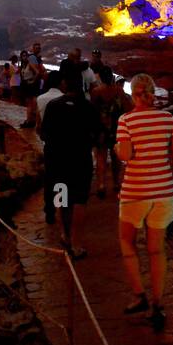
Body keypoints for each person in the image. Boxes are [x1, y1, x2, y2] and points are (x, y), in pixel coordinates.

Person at [115, 73, 173, 332]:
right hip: (163, 191)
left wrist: (117, 150)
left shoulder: (126, 120)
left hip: (136, 191)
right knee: (157, 250)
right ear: (153, 92)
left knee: (127, 241)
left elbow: (126, 154)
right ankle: (157, 303)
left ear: (133, 94)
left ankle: (139, 295)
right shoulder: (167, 119)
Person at [39, 74, 101, 258]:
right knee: (80, 200)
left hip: (58, 160)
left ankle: (64, 234)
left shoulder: (53, 106)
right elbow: (97, 134)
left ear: (65, 85)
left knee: (62, 197)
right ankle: (77, 243)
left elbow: (44, 135)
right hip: (81, 159)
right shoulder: (89, 107)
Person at [90, 77, 131, 198]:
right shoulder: (119, 91)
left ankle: (101, 185)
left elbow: (92, 111)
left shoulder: (96, 91)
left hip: (101, 130)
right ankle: (116, 183)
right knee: (115, 158)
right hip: (116, 128)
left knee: (101, 158)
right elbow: (128, 108)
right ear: (112, 78)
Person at [20, 42, 45, 128]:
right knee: (32, 103)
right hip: (34, 84)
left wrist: (33, 80)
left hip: (31, 84)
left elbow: (38, 71)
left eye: (39, 48)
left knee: (30, 103)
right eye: (36, 48)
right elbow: (41, 70)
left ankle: (30, 121)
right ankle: (31, 121)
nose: (38, 49)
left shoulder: (32, 58)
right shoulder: (36, 58)